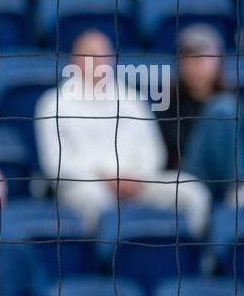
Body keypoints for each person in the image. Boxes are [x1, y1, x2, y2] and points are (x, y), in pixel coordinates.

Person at [35, 29, 211, 235]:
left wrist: (135, 178)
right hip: (86, 185)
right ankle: (104, 261)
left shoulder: (131, 99)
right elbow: (54, 164)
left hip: (138, 183)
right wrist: (105, 177)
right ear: (73, 62)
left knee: (193, 192)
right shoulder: (53, 103)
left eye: (103, 56)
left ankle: (194, 256)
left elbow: (154, 152)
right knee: (94, 200)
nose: (98, 62)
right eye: (90, 55)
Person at [162, 25, 244, 205]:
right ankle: (239, 185)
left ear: (217, 61)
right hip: (193, 174)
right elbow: (172, 151)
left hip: (235, 168)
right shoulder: (169, 102)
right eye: (189, 57)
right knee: (222, 109)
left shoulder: (232, 96)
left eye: (204, 57)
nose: (196, 64)